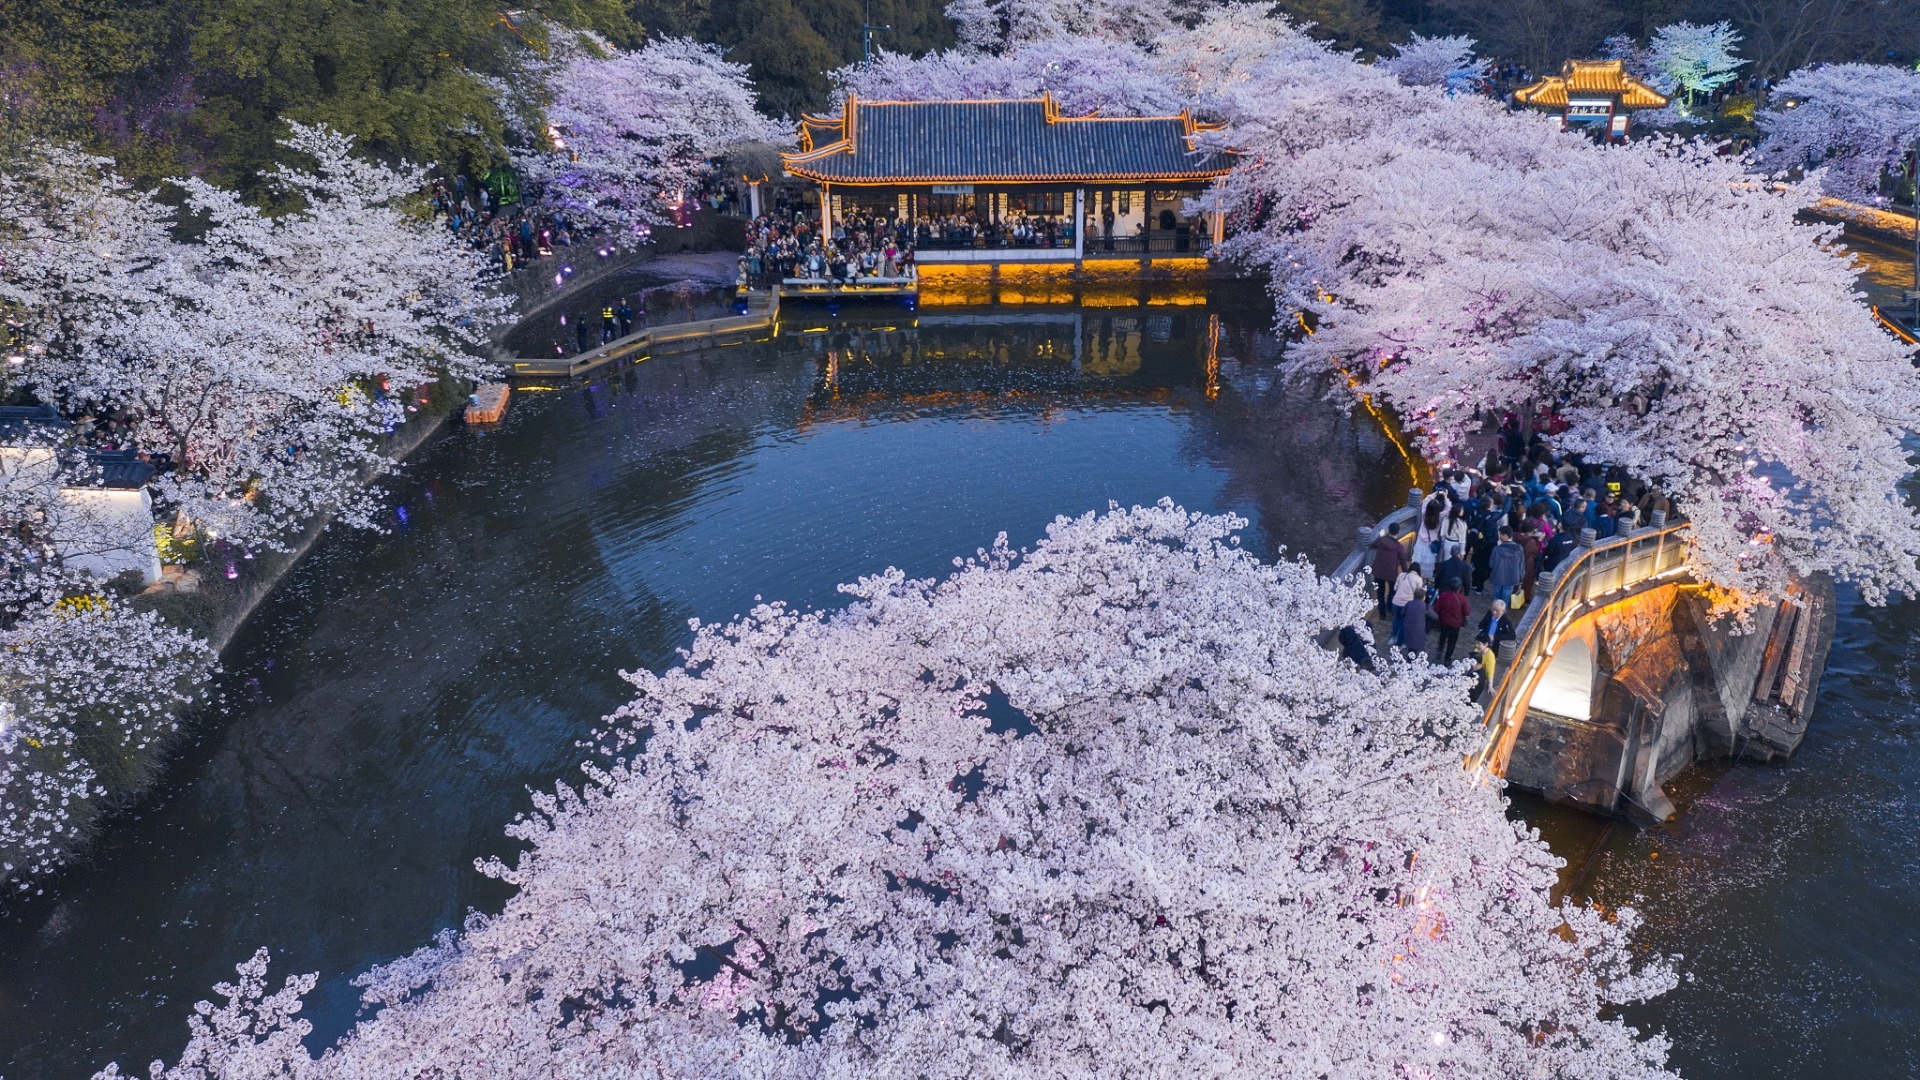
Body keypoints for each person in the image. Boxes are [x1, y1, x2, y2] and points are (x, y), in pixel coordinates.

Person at [1370, 529, 1406, 620]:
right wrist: (1406, 572)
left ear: (1389, 531)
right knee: (1392, 591)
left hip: (1378, 571)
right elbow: (1402, 560)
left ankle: (1382, 614)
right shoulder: (1399, 546)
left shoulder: (1381, 540)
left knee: (1380, 592)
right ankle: (1390, 608)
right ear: (1397, 533)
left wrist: (1381, 536)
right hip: (1391, 573)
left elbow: (1372, 545)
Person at [1432, 582, 1469, 665]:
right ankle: (1447, 658)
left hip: (1443, 621)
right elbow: (1467, 612)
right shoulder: (1462, 598)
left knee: (1442, 637)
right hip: (1455, 624)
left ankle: (1440, 651)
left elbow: (1436, 608)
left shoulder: (1443, 595)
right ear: (1459, 588)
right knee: (1452, 642)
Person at [1487, 526, 1525, 605]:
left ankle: (1494, 612)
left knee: (1496, 596)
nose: (1499, 536)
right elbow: (1521, 565)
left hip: (1498, 576)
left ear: (1505, 535)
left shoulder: (1497, 549)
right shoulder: (1519, 548)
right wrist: (1521, 577)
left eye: (1500, 534)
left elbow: (1491, 564)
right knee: (1506, 598)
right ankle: (1502, 613)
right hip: (1512, 577)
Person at [1390, 565, 1424, 646]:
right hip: (1407, 605)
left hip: (1396, 601)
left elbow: (1395, 588)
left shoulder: (1402, 575)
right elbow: (1419, 594)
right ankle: (1400, 643)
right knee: (1404, 624)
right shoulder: (1419, 579)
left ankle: (1393, 637)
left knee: (1396, 619)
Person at [1399, 585, 1429, 657]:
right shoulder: (1425, 605)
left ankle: (1404, 646)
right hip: (1418, 629)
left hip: (1407, 626)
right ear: (1423, 597)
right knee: (1414, 644)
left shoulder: (1409, 603)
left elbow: (1402, 612)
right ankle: (1411, 658)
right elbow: (1434, 616)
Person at [1469, 633, 1495, 703]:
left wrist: (1490, 685)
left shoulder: (1490, 656)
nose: (1477, 645)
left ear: (1486, 644)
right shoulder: (1477, 650)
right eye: (1476, 643)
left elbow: (1490, 671)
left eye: (1479, 644)